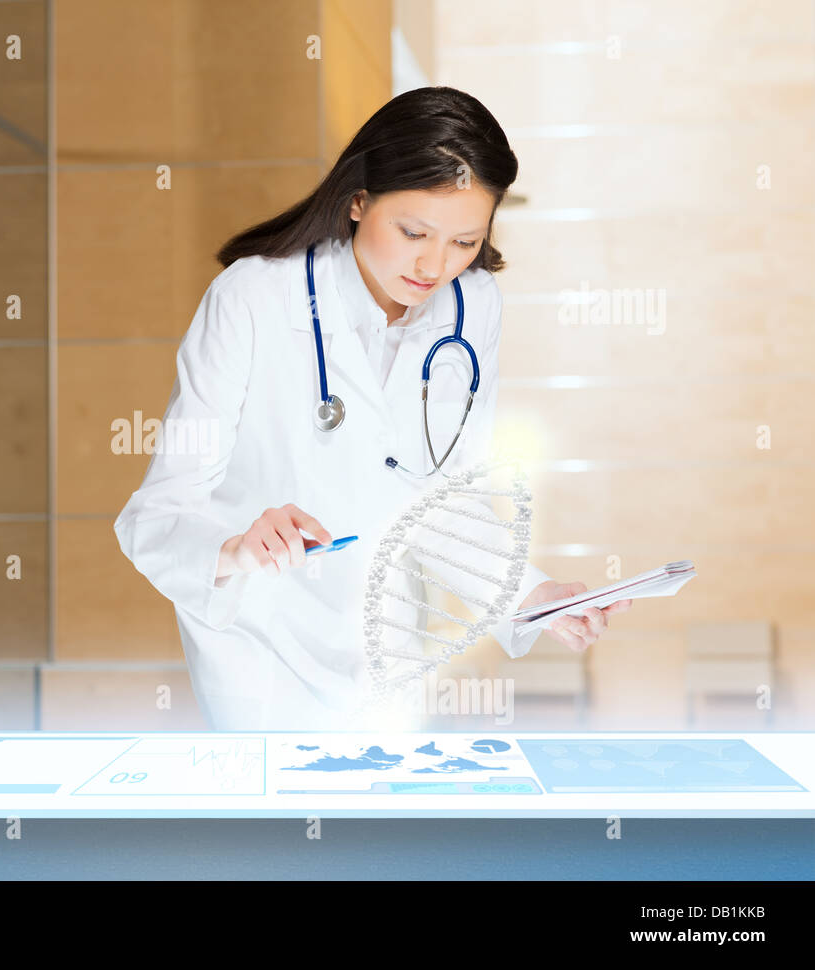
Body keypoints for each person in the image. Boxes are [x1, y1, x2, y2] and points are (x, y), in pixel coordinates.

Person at [113, 86, 631, 731]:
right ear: (358, 201)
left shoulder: (473, 305)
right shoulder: (253, 297)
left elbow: (448, 498)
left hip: (390, 645)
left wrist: (533, 595)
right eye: (413, 232)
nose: (435, 265)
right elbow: (157, 514)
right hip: (261, 652)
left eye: (465, 242)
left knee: (387, 818)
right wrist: (237, 548)